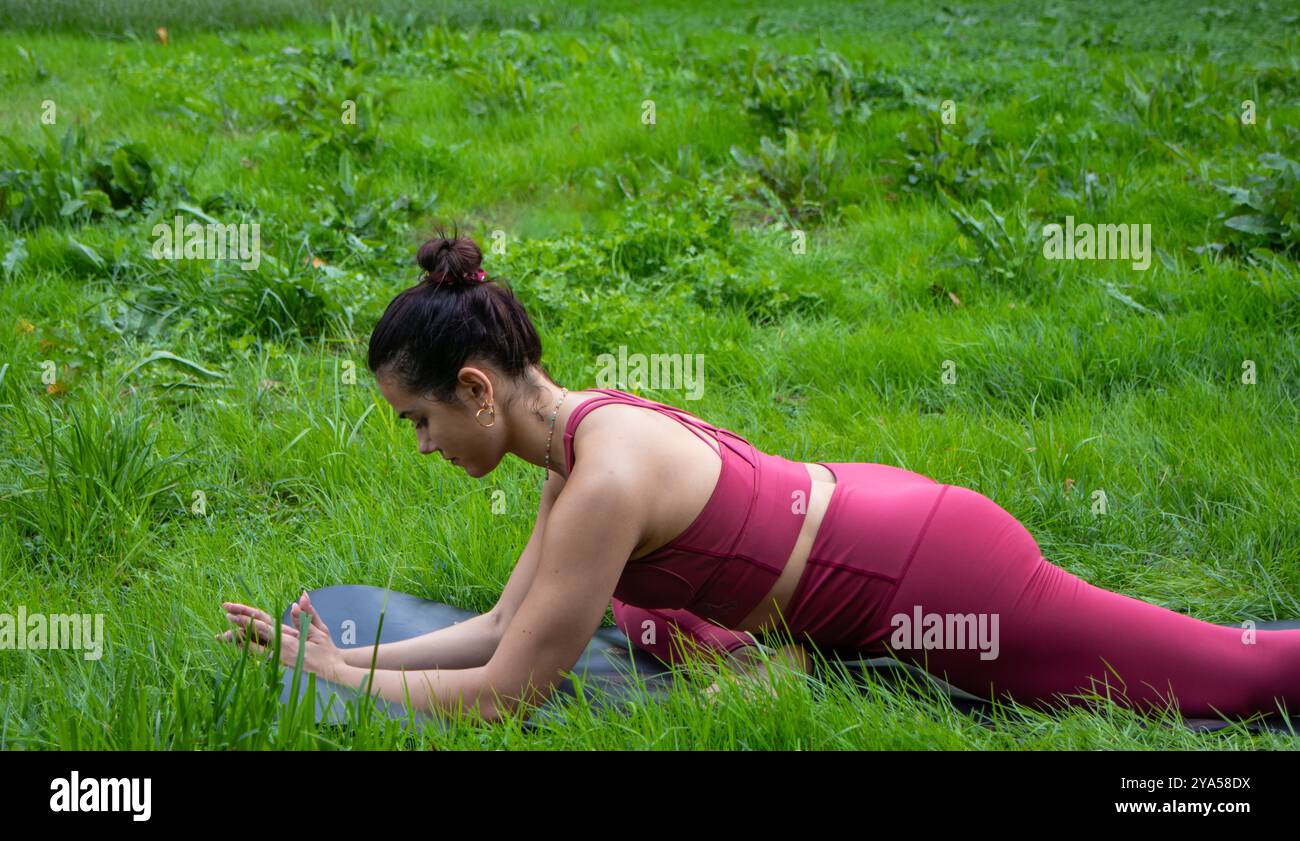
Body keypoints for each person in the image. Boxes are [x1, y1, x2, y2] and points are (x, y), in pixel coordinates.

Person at [219, 231, 1300, 727]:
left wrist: (347, 678)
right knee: (634, 614)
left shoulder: (599, 479)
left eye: (418, 420)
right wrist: (353, 650)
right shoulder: (575, 441)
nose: (419, 446)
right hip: (875, 542)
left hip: (933, 577)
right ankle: (757, 659)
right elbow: (506, 621)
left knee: (1230, 676)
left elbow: (509, 691)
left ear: (476, 387)